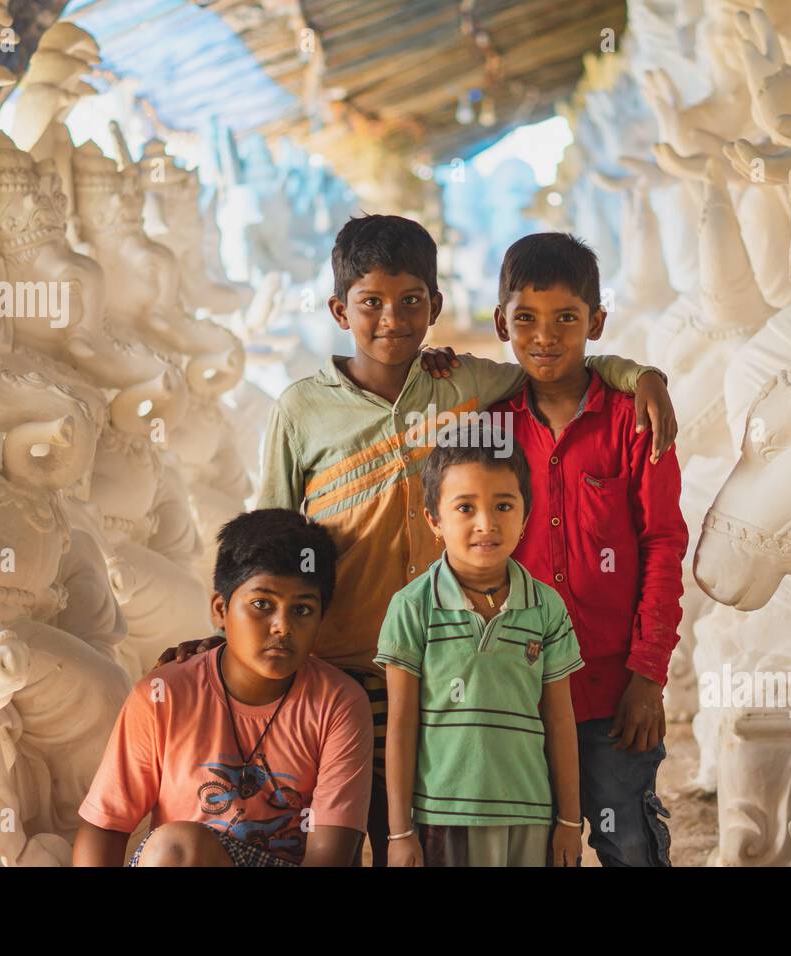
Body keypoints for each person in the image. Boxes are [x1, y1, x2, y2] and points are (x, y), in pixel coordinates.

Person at [161, 213, 676, 864]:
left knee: (438, 835)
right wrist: (229, 633)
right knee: (347, 829)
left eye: (411, 303)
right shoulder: (302, 409)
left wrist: (640, 376)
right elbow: (270, 539)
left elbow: (554, 361)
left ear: (435, 306)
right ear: (338, 310)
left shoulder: (463, 386)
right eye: (370, 303)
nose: (392, 320)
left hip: (451, 671)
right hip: (341, 669)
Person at [488, 232, 689, 867]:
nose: (545, 337)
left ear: (596, 322)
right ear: (502, 323)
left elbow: (662, 543)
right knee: (532, 845)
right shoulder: (489, 426)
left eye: (566, 319)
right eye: (526, 319)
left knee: (626, 838)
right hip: (515, 689)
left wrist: (648, 674)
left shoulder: (636, 419)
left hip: (613, 690)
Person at [73, 510, 373, 867]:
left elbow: (329, 857)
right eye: (262, 605)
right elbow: (105, 826)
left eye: (303, 610)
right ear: (220, 609)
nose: (282, 626)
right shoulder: (163, 696)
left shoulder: (338, 703)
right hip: (184, 858)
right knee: (175, 846)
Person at [376, 426, 584, 866]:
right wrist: (399, 831)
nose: (486, 524)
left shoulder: (546, 606)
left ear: (526, 515)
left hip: (529, 810)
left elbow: (561, 719)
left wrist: (569, 820)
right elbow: (401, 724)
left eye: (504, 506)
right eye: (465, 507)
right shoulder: (413, 607)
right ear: (434, 519)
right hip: (441, 816)